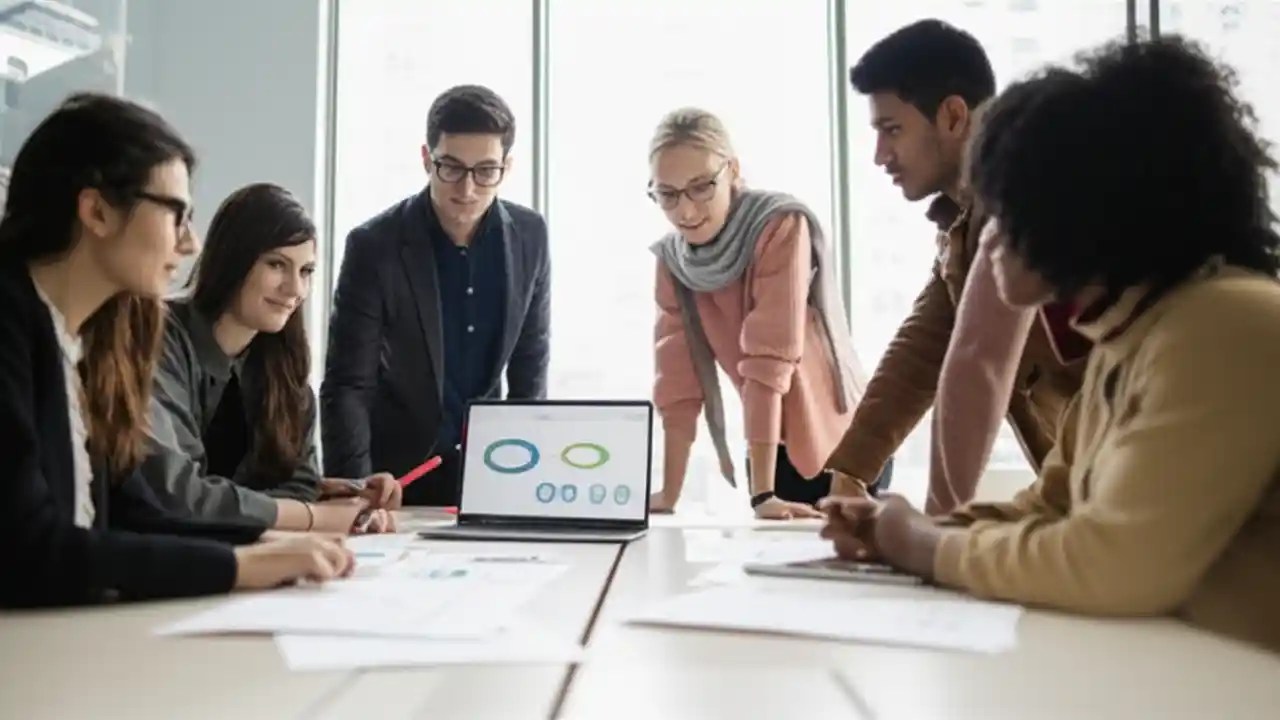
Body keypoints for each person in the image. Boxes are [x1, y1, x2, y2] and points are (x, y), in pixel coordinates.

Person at [820, 38, 1280, 653]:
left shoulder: (1222, 323)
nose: (988, 229)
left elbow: (1112, 564)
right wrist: (899, 529)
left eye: (1005, 203)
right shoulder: (1125, 339)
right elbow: (1049, 507)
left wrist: (923, 544)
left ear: (1082, 206)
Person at [0, 93, 353, 607]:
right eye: (176, 216)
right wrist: (238, 565)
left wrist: (267, 542)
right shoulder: (11, 326)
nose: (188, 245)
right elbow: (29, 551)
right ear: (96, 210)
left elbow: (125, 518)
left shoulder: (87, 339)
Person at [826, 19, 1085, 508]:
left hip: (1166, 475)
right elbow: (922, 348)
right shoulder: (964, 225)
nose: (880, 155)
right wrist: (851, 472)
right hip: (1102, 486)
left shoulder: (1027, 196)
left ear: (952, 115)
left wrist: (936, 535)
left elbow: (979, 364)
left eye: (892, 130)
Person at [322, 84, 550, 506]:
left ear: (506, 167)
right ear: (427, 159)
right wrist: (353, 491)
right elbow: (348, 383)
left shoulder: (529, 236)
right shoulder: (375, 245)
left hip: (491, 473)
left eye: (485, 171)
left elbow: (529, 368)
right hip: (394, 478)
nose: (467, 189)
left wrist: (524, 481)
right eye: (451, 167)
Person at [646, 108, 871, 519]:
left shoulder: (779, 225)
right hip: (773, 459)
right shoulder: (673, 261)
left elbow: (769, 358)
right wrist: (669, 495)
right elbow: (678, 382)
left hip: (846, 448)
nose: (685, 211)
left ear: (731, 170)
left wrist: (761, 496)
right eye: (668, 194)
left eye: (700, 187)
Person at [141, 183, 401, 533]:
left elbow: (298, 485)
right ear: (234, 259)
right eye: (277, 264)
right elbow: (178, 496)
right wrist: (315, 518)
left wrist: (337, 494)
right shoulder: (157, 335)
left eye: (306, 271)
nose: (295, 289)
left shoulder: (283, 362)